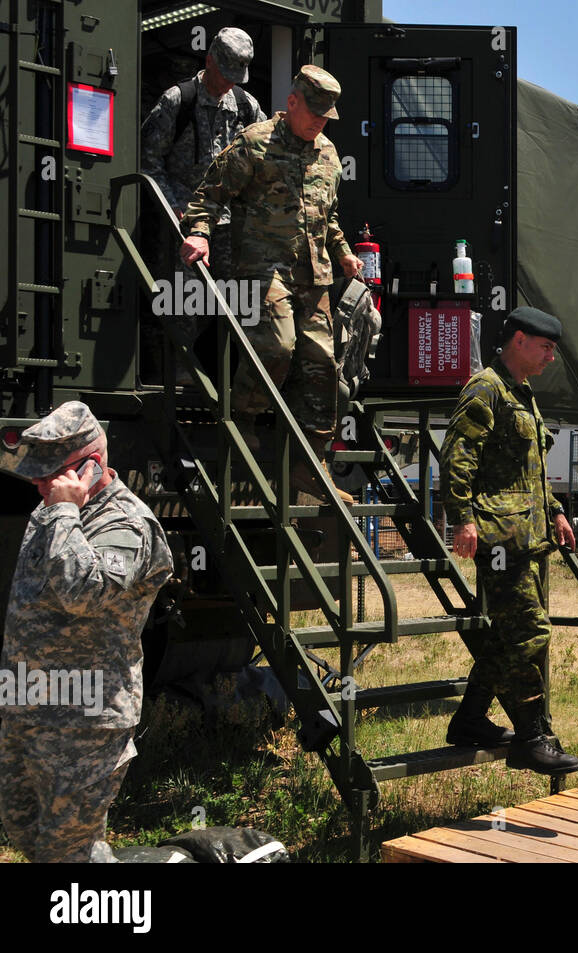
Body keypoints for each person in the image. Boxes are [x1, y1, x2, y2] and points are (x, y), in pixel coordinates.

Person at [178, 65, 363, 503]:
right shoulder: (255, 142)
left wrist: (343, 252)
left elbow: (328, 215)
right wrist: (199, 232)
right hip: (264, 269)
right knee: (278, 347)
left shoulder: (329, 154)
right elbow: (209, 194)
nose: (319, 121)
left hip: (313, 274)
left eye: (326, 115)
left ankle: (309, 463)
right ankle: (242, 416)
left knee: (324, 369)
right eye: (314, 111)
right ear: (293, 101)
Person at [0, 402, 174, 862]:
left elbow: (83, 593)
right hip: (28, 703)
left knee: (68, 849)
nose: (39, 484)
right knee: (26, 833)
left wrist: (62, 513)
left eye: (51, 473)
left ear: (92, 466)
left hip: (84, 719)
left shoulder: (127, 524)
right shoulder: (52, 511)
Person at [439, 307, 578, 776]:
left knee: (506, 635)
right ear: (518, 340)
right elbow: (457, 456)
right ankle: (531, 738)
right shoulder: (486, 387)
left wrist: (557, 511)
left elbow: (530, 470)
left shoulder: (522, 394)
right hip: (501, 539)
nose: (551, 357)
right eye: (545, 347)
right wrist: (462, 520)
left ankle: (470, 719)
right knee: (530, 633)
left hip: (529, 536)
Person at [142, 26, 264, 255]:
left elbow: (264, 157)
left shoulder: (246, 106)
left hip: (231, 224)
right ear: (209, 61)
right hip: (184, 222)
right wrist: (171, 205)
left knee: (231, 291)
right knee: (187, 290)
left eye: (235, 79)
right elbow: (149, 160)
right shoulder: (178, 99)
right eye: (225, 75)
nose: (229, 84)